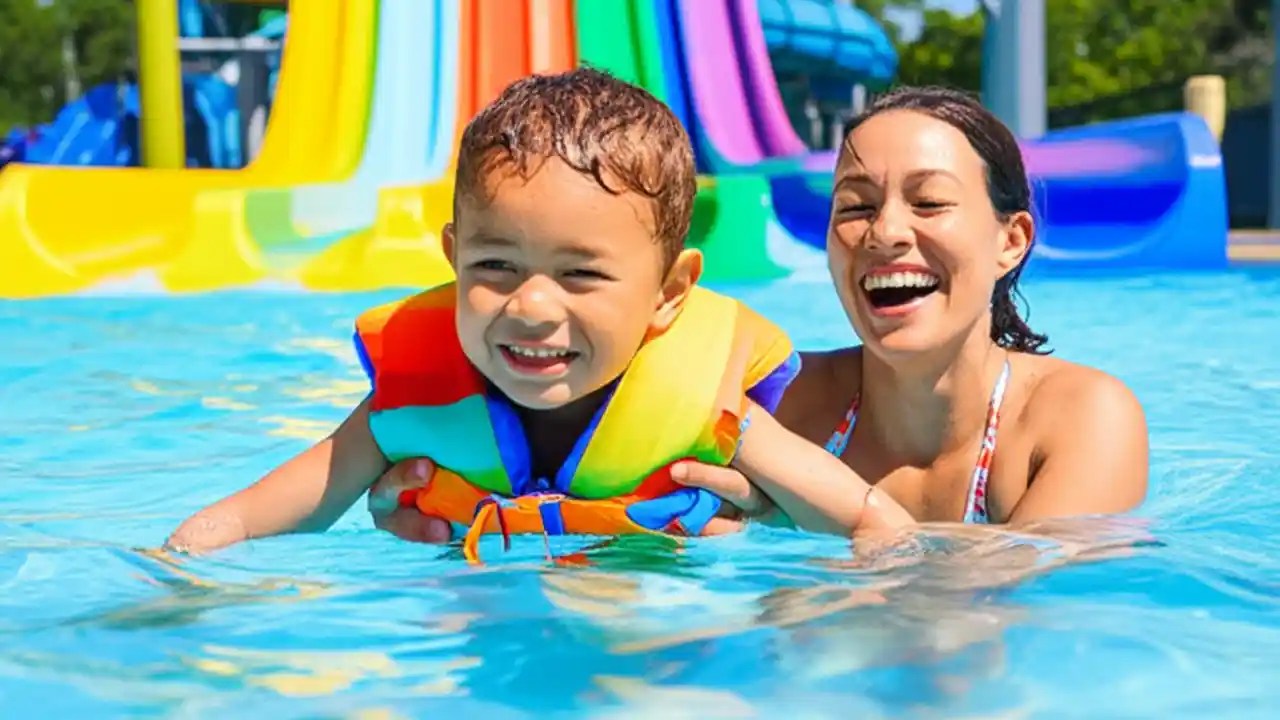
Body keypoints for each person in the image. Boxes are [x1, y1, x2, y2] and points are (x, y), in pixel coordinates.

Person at [165, 68, 913, 557]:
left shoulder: (707, 413)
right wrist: (169, 578)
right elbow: (239, 519)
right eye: (495, 266)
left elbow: (876, 523)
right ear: (454, 257)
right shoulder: (414, 407)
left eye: (581, 274)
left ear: (670, 293)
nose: (530, 306)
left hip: (655, 658)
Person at [368, 85, 1148, 543]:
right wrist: (449, 493)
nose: (884, 232)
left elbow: (1031, 621)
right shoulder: (778, 401)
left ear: (1012, 240)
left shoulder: (1078, 420)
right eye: (855, 205)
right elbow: (579, 478)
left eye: (930, 202)